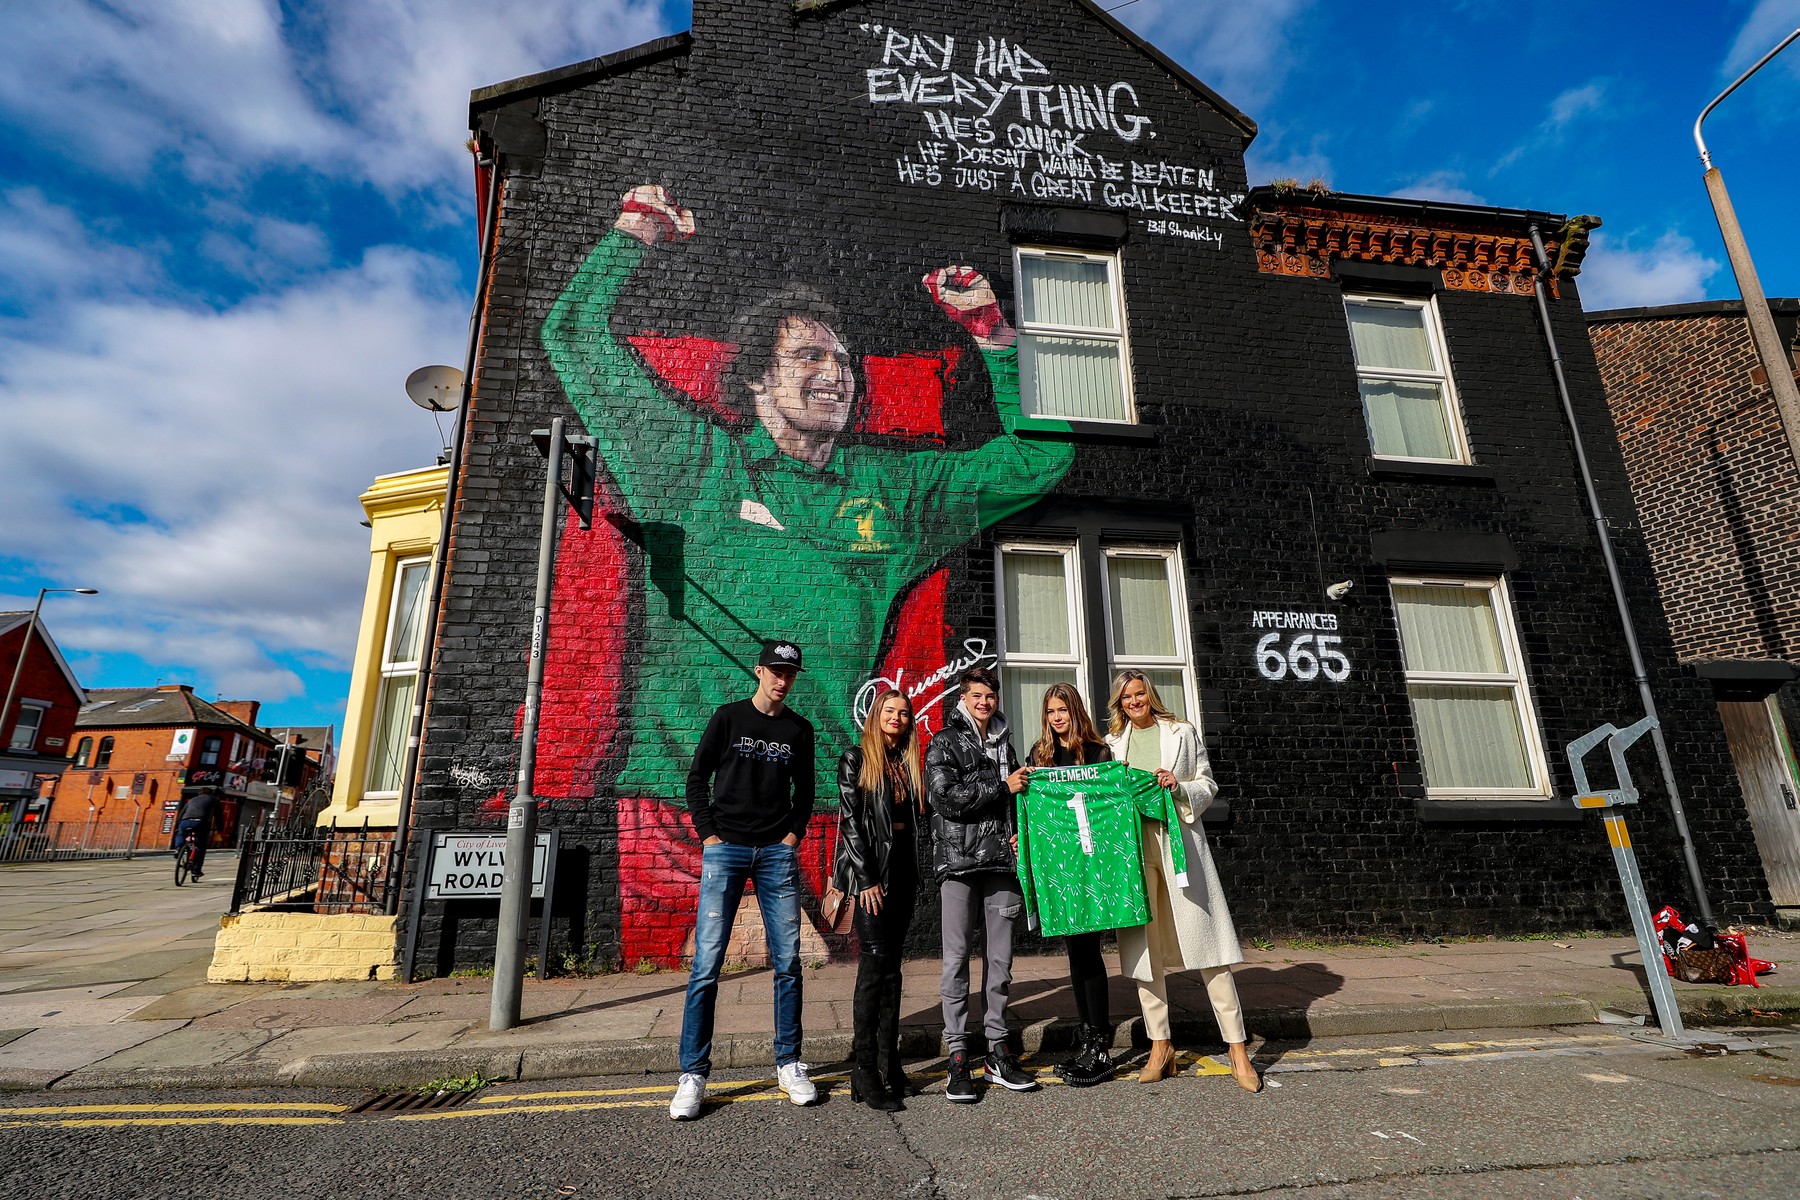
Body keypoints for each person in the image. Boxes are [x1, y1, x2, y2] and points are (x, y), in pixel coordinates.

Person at [541, 183, 1075, 967]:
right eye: (809, 356)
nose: (836, 373)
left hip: (825, 809)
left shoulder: (894, 491)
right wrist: (634, 232)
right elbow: (574, 335)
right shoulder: (690, 462)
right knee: (696, 990)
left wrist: (993, 336)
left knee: (815, 989)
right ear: (757, 380)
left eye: (844, 360)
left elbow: (1043, 457)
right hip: (678, 809)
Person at [669, 640, 819, 1121]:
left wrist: (792, 836)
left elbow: (806, 791)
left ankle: (789, 1062)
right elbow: (697, 777)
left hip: (776, 853)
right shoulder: (728, 718)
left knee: (788, 963)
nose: (782, 679)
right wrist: (709, 835)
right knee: (707, 966)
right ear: (759, 671)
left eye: (790, 673)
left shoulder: (800, 729)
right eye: (775, 670)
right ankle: (693, 1074)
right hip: (725, 850)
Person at [1105, 670, 1261, 1092]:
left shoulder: (1181, 732)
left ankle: (1237, 1048)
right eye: (1126, 697)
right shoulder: (1112, 744)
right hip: (1135, 849)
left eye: (1139, 694)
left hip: (1178, 842)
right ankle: (1161, 1046)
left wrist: (1179, 787)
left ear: (1150, 695)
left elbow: (1207, 783)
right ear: (1119, 704)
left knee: (1208, 945)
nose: (1134, 701)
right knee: (1144, 949)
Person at [926, 665, 1037, 1102]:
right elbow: (945, 797)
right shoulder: (944, 741)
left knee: (1001, 961)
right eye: (976, 696)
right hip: (959, 863)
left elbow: (1016, 798)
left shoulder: (1006, 743)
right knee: (956, 959)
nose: (984, 703)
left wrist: (1018, 829)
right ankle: (958, 1055)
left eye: (989, 696)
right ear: (963, 698)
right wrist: (1003, 788)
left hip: (1002, 865)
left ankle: (997, 1050)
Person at [831, 688, 925, 1112]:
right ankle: (864, 1069)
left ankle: (891, 1064)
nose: (897, 718)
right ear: (875, 716)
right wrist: (867, 880)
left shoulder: (905, 762)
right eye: (890, 711)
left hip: (903, 875)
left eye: (904, 713)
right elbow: (851, 823)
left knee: (892, 971)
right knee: (873, 970)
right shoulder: (856, 759)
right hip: (872, 878)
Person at [1026, 683, 1117, 1087]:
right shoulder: (1040, 755)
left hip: (1089, 861)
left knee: (1089, 951)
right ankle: (1087, 1038)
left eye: (1062, 709)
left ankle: (1100, 1046)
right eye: (1050, 712)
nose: (1056, 717)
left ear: (1075, 711)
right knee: (1075, 953)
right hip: (1057, 866)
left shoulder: (1098, 754)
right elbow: (1030, 804)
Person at [172, 789, 219, 878]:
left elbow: (181, 813)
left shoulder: (192, 800)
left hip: (185, 821)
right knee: (200, 846)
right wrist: (220, 828)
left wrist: (179, 825)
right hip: (201, 822)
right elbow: (218, 815)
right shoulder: (213, 800)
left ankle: (178, 848)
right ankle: (196, 870)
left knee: (180, 834)